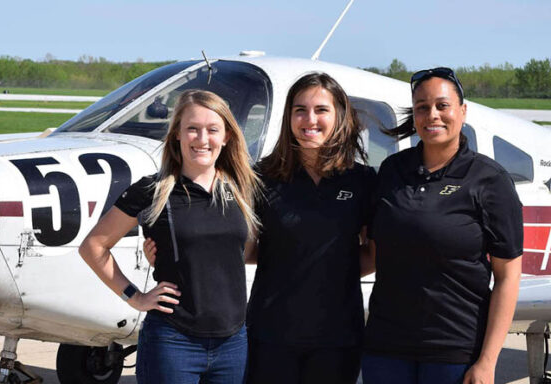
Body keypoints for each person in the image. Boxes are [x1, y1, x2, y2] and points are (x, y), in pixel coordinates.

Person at [145, 72, 376, 383]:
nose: (310, 119)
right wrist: (174, 256)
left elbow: (372, 254)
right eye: (299, 110)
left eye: (321, 110)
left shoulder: (362, 181)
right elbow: (241, 247)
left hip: (337, 338)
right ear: (288, 117)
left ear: (340, 115)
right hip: (270, 335)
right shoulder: (260, 177)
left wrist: (326, 266)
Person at [79, 89, 260, 384]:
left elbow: (243, 251)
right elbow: (94, 246)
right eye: (192, 129)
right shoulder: (153, 191)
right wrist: (134, 297)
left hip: (233, 343)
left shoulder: (242, 188)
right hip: (173, 342)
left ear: (226, 136)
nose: (202, 139)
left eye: (212, 130)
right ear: (177, 134)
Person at [362, 67, 523, 384]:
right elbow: (374, 251)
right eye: (422, 107)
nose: (432, 115)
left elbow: (508, 277)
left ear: (463, 111)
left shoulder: (490, 180)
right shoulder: (392, 170)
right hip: (385, 347)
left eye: (442, 105)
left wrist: (487, 362)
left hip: (455, 350)